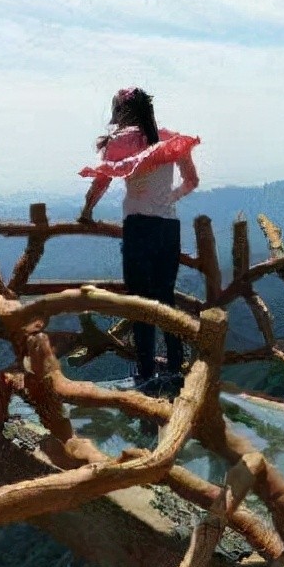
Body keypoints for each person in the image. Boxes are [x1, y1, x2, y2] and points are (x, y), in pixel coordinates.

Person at [78, 87, 200, 392]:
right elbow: (192, 180)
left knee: (140, 303)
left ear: (120, 111)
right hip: (169, 227)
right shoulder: (171, 138)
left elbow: (101, 183)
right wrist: (170, 197)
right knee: (166, 299)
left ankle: (145, 374)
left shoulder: (120, 143)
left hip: (139, 227)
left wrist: (86, 212)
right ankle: (175, 370)